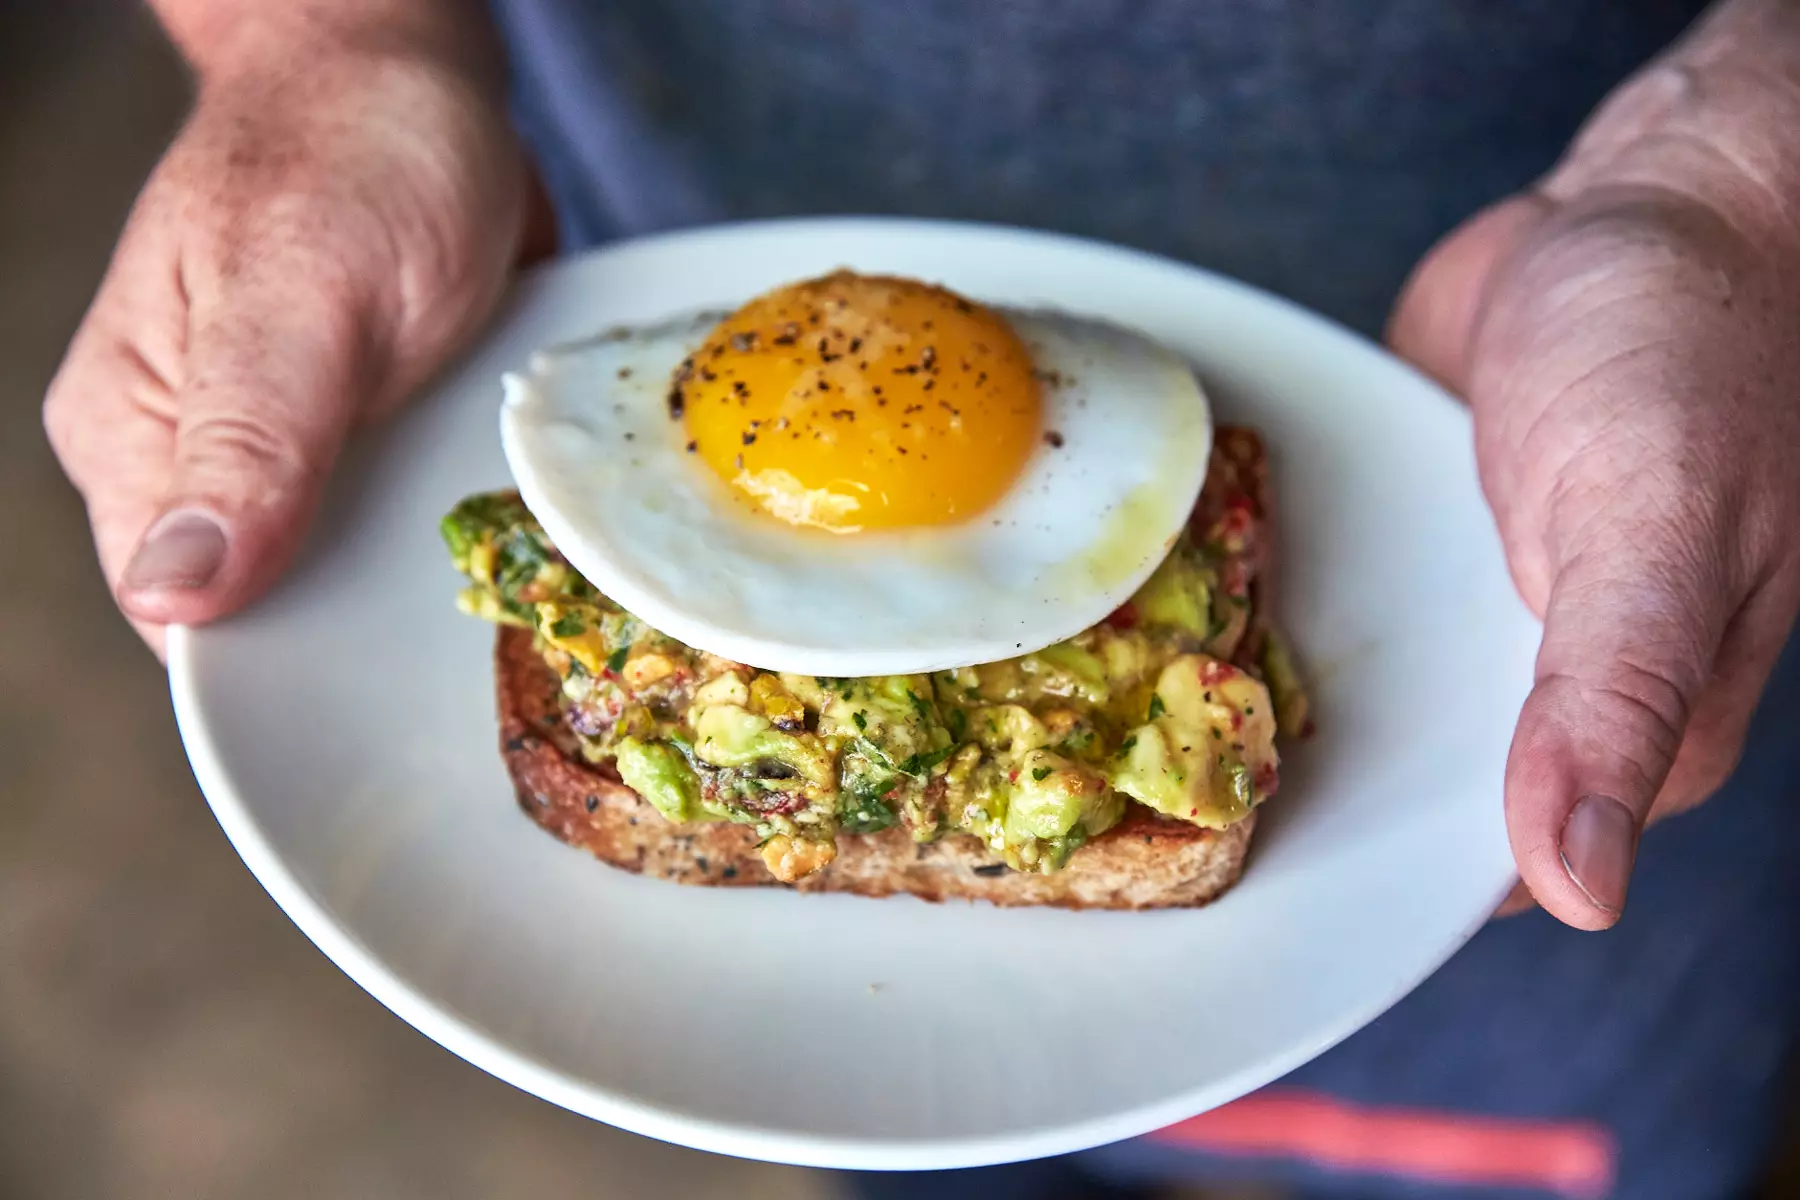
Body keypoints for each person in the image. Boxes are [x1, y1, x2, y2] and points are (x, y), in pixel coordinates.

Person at [43, 1, 1800, 1196]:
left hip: (1589, 424)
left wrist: (1738, 173)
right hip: (673, 237)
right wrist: (321, 45)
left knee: (1567, 1068)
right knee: (908, 1155)